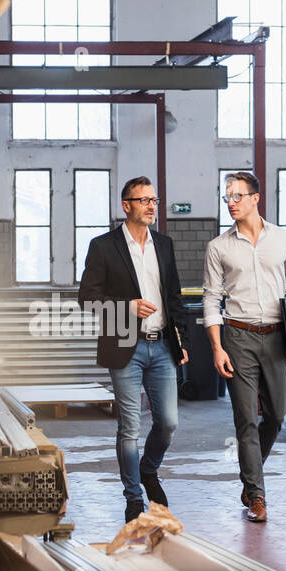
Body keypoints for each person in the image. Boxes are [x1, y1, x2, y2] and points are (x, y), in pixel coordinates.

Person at [202, 171, 286, 523]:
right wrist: (217, 348)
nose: (231, 202)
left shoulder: (283, 240)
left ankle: (250, 479)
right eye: (227, 197)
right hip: (237, 337)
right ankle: (257, 496)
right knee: (246, 419)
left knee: (277, 415)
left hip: (277, 336)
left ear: (255, 198)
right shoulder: (218, 247)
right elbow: (211, 300)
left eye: (237, 196)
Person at [79, 176, 189, 523]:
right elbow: (87, 300)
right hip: (125, 346)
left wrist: (181, 339)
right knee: (129, 428)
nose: (151, 206)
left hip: (162, 346)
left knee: (168, 423)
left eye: (154, 199)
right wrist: (127, 305)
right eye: (143, 200)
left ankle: (148, 469)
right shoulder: (103, 246)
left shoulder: (165, 245)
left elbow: (174, 298)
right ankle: (133, 498)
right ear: (126, 206)